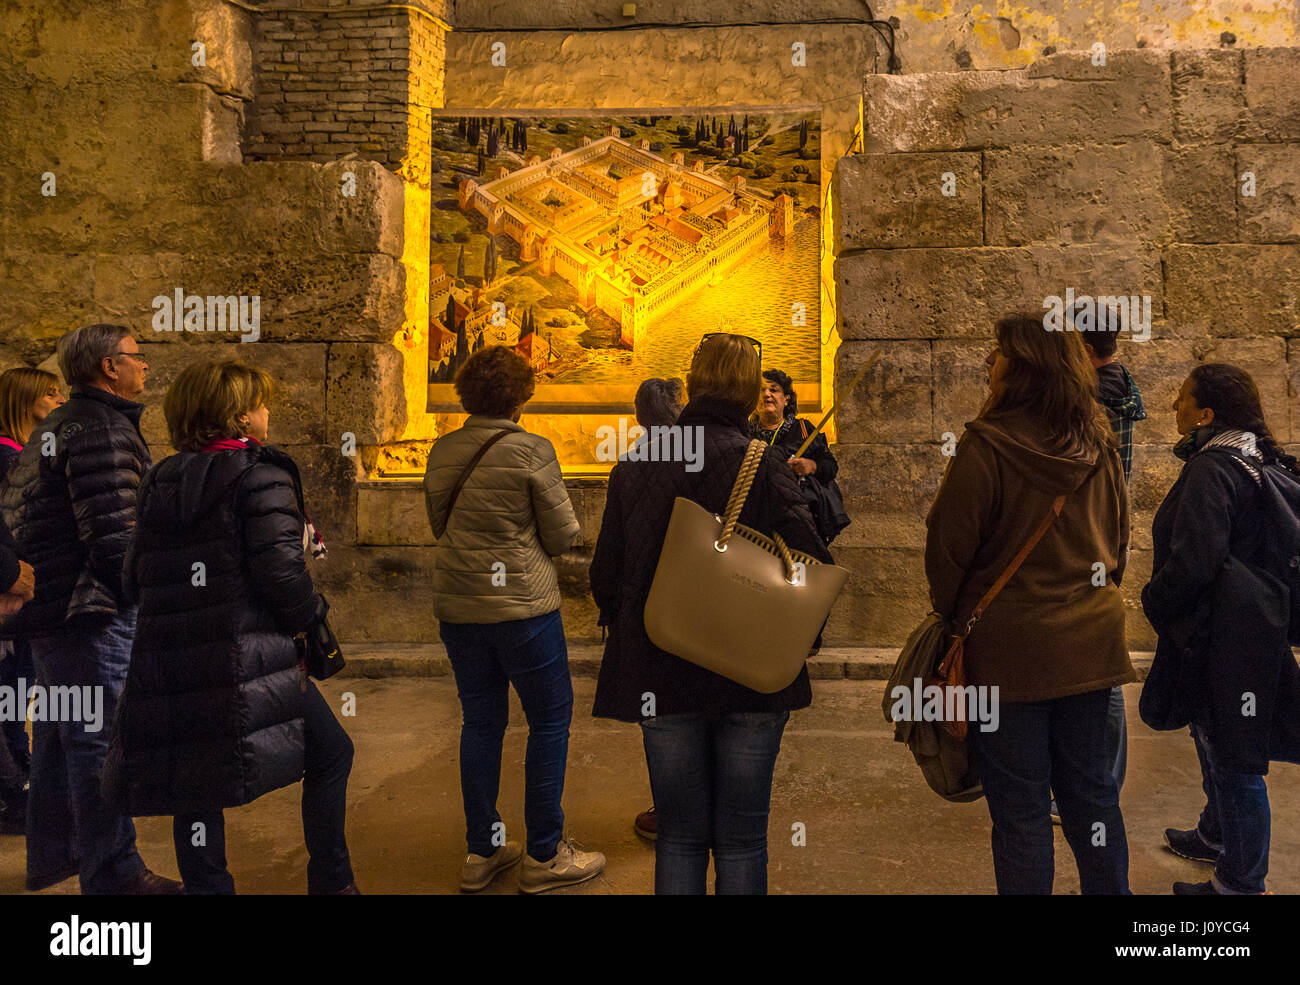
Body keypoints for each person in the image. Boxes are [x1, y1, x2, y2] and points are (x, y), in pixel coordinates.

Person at [102, 360, 358, 895]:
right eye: (262, 404)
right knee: (333, 753)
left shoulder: (160, 478)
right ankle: (332, 883)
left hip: (173, 656)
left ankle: (209, 888)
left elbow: (132, 575)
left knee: (195, 786)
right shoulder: (261, 474)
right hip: (247, 656)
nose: (268, 413)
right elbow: (281, 575)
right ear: (241, 417)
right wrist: (311, 618)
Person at [590, 333, 832, 894]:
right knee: (743, 838)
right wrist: (800, 641)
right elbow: (814, 564)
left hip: (660, 666)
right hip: (752, 670)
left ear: (693, 385)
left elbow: (607, 574)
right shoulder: (764, 462)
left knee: (678, 835)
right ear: (750, 393)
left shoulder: (638, 463)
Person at [925, 313, 1134, 895]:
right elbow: (1117, 546)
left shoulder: (986, 446)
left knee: (1019, 812)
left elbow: (947, 553)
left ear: (1022, 367)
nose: (989, 363)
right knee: (1094, 803)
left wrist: (958, 617)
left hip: (1007, 658)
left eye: (998, 352)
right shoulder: (1099, 442)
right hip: (1091, 649)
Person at [0, 324, 181, 894]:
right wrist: (141, 597)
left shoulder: (59, 424)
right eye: (136, 357)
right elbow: (114, 538)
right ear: (108, 367)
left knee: (59, 734)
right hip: (89, 611)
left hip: (54, 610)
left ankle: (56, 855)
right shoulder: (101, 428)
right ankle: (114, 873)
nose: (144, 366)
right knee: (98, 739)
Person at [423, 345, 604, 894]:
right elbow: (563, 533)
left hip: (459, 608)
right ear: (521, 396)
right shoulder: (532, 451)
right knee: (549, 721)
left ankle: (483, 850)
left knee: (481, 724)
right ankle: (545, 855)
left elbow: (438, 524)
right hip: (524, 609)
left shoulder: (442, 449)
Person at [1142, 363, 1300, 895]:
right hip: (1255, 631)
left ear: (1206, 413)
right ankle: (1215, 835)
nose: (1173, 407)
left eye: (1183, 399)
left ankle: (1240, 884)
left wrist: (1154, 603)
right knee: (1216, 738)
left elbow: (1194, 563)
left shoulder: (1213, 467)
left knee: (1232, 757)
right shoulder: (1257, 456)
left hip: (1220, 638)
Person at [1046, 302, 1147, 822]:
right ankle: (1097, 786)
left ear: (1085, 349)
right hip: (1104, 540)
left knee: (1098, 673)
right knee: (1098, 667)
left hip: (1084, 542)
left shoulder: (1091, 402)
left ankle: (1095, 789)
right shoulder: (1120, 388)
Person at [0, 367, 63, 834]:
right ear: (24, 400)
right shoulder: (4, 456)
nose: (59, 397)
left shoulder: (24, 453)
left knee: (14, 693)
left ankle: (19, 782)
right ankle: (14, 789)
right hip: (10, 594)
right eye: (49, 392)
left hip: (25, 598)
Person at [625, 377, 685, 843]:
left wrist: (610, 605)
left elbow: (612, 547)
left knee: (659, 711)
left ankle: (669, 809)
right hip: (693, 599)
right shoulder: (698, 459)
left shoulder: (629, 465)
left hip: (645, 605)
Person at [752, 368, 846, 545]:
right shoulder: (746, 433)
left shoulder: (803, 429)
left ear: (786, 398)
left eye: (773, 389)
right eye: (761, 390)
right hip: (757, 523)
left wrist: (812, 466)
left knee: (799, 570)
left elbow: (831, 467)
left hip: (798, 524)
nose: (766, 394)